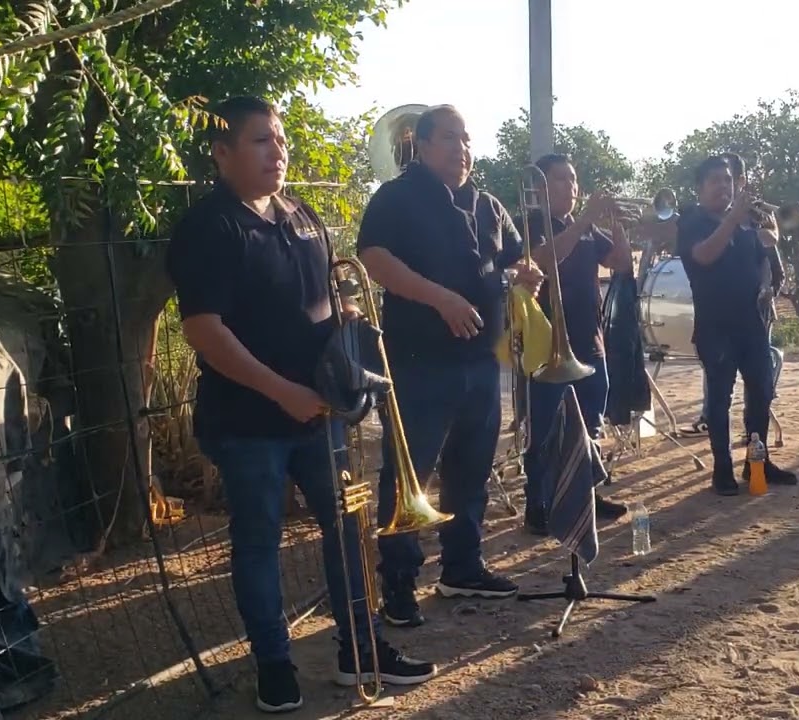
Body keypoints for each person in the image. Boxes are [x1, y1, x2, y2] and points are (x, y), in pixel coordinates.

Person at [167, 96, 434, 714]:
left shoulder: (301, 214)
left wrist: (346, 321)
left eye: (280, 139)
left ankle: (359, 650)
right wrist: (282, 391)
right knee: (258, 542)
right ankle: (274, 667)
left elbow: (317, 301)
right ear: (222, 153)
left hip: (321, 414)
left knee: (346, 530)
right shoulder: (210, 226)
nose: (278, 150)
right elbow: (205, 331)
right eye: (261, 141)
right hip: (249, 422)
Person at [356, 105, 543, 627]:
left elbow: (509, 260)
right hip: (420, 362)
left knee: (471, 470)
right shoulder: (396, 197)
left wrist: (525, 273)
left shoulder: (486, 203)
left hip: (481, 359)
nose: (464, 150)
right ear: (422, 144)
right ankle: (397, 581)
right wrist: (439, 298)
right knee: (408, 476)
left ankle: (462, 565)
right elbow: (374, 258)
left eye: (468, 140)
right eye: (452, 139)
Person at [518, 153, 632, 535]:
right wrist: (586, 218)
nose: (571, 186)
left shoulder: (581, 226)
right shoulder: (532, 223)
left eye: (573, 179)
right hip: (546, 345)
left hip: (589, 341)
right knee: (546, 429)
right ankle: (539, 504)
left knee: (590, 428)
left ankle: (586, 496)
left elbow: (620, 262)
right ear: (542, 187)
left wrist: (615, 223)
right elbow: (545, 260)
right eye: (561, 179)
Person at [677, 155, 797, 494]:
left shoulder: (748, 223)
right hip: (716, 324)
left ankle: (757, 463)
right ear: (700, 188)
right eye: (715, 180)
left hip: (750, 321)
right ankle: (722, 469)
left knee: (761, 391)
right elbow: (703, 255)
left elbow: (762, 259)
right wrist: (732, 218)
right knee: (719, 399)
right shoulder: (692, 221)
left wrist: (765, 284)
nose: (723, 186)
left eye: (728, 180)